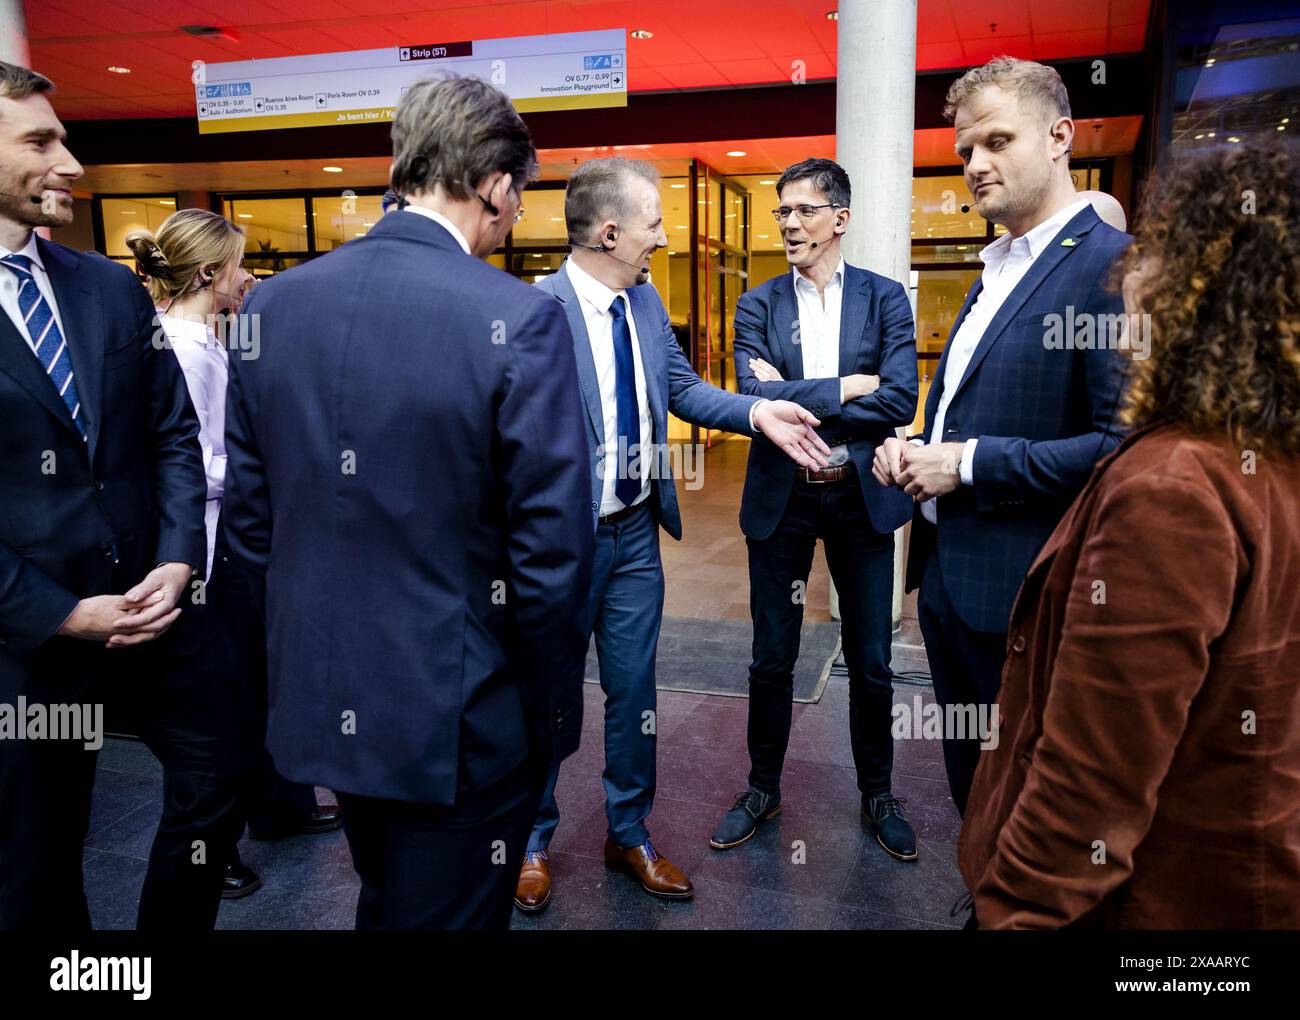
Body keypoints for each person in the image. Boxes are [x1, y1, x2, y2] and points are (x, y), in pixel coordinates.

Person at [222, 75, 594, 931]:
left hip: (330, 705)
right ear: (493, 186)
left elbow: (249, 527)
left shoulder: (274, 304)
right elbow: (551, 559)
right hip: (461, 722)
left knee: (388, 894)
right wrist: (545, 719)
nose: (514, 219)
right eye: (518, 198)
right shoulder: (518, 318)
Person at [959, 139, 1300, 929]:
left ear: (1198, 283)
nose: (1129, 273)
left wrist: (1013, 912)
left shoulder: (1174, 489)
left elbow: (1090, 783)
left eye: (1154, 249)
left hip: (1158, 896)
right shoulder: (1267, 455)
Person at [515, 157, 831, 912]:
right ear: (609, 232)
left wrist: (758, 412)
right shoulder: (533, 313)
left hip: (633, 538)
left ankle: (629, 833)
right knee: (546, 695)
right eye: (653, 224)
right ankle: (529, 840)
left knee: (634, 694)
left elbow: (681, 389)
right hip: (560, 548)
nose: (663, 238)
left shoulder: (647, 301)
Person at [873, 57, 1130, 818]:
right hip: (951, 587)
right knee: (976, 799)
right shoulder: (998, 268)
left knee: (1030, 813)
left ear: (1059, 137)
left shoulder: (1114, 269)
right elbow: (973, 409)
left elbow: (1126, 450)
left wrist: (967, 463)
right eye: (964, 151)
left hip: (1034, 602)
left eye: (997, 141)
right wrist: (916, 445)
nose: (975, 164)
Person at [0, 62, 215, 930]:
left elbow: (171, 434)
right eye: (40, 142)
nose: (72, 163)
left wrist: (178, 557)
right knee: (38, 863)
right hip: (25, 645)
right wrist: (58, 613)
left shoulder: (108, 285)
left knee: (217, 779)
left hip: (149, 614)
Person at [125, 211, 341, 905]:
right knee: (219, 712)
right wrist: (276, 465)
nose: (248, 277)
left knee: (252, 689)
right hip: (208, 556)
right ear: (207, 273)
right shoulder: (185, 350)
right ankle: (212, 850)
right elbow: (192, 465)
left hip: (224, 549)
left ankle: (272, 810)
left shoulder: (202, 339)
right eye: (239, 265)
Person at [709, 157, 921, 860]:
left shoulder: (885, 298)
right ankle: (761, 789)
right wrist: (849, 386)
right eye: (782, 211)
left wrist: (797, 393)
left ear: (840, 218)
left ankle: (878, 793)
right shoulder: (756, 304)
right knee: (771, 656)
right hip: (783, 499)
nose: (790, 223)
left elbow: (899, 398)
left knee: (872, 659)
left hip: (861, 497)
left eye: (804, 210)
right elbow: (751, 399)